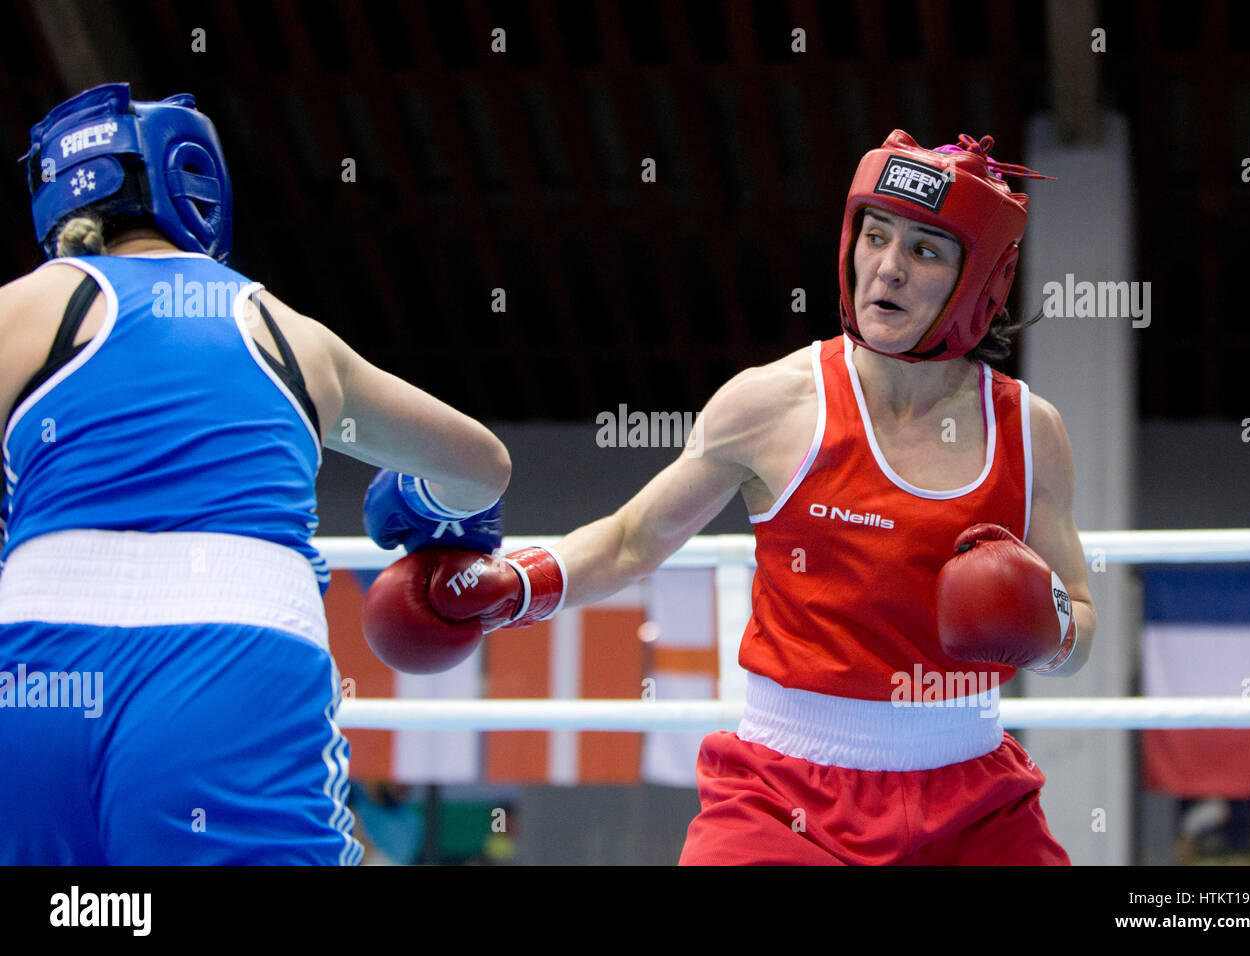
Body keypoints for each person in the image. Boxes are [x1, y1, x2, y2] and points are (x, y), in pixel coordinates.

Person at [364, 129, 1097, 865]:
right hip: (785, 797)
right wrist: (512, 588)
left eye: (925, 251)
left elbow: (1082, 625)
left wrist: (1049, 624)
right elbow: (630, 541)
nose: (888, 270)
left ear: (983, 280)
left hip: (971, 805)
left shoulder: (1031, 433)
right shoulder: (773, 405)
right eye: (876, 237)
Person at [0, 83, 510, 865]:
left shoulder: (25, 310)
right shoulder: (291, 335)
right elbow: (482, 465)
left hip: (34, 676)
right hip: (231, 670)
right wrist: (421, 500)